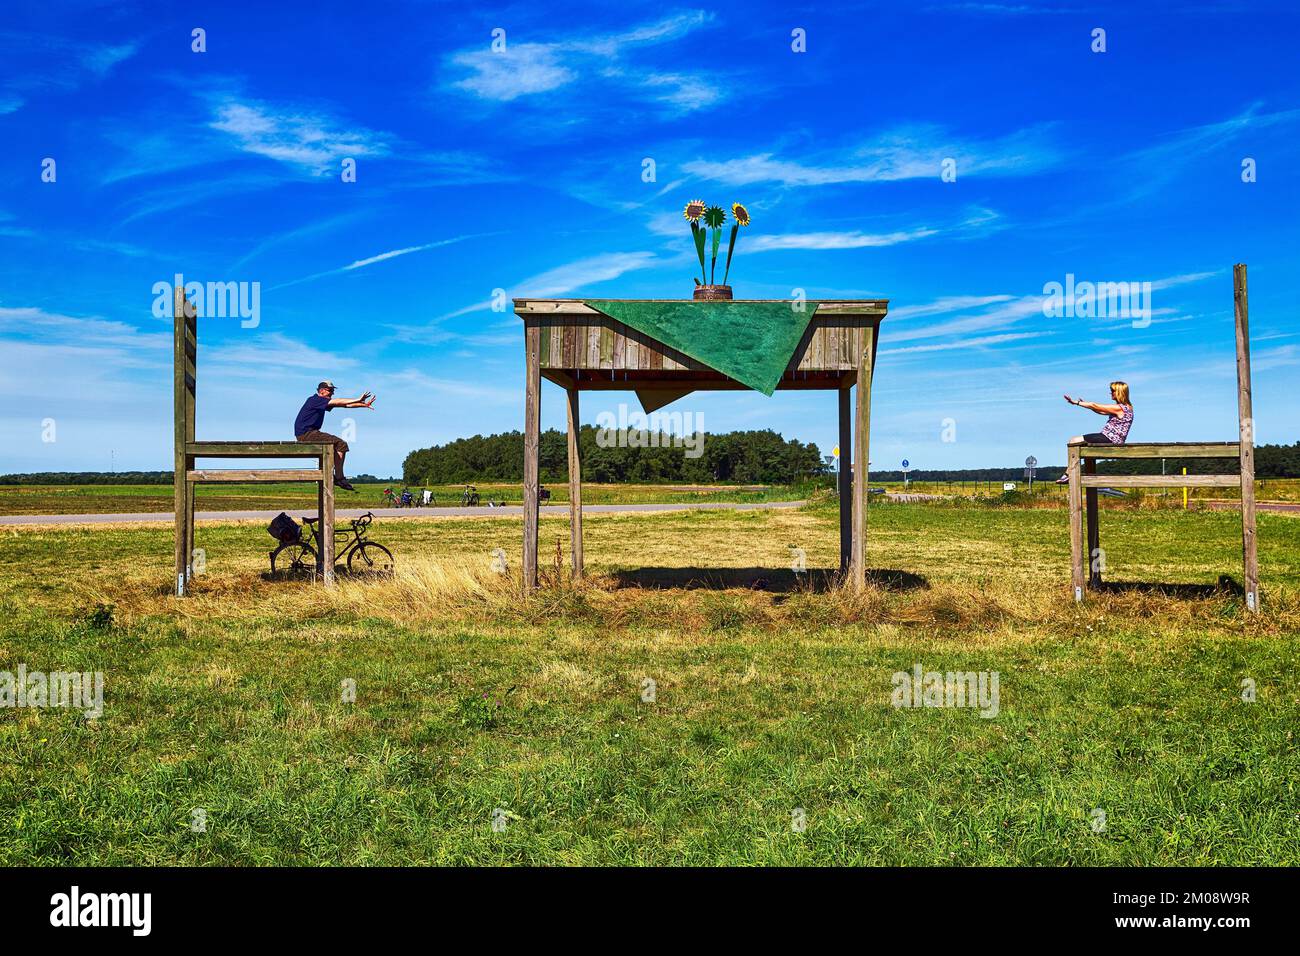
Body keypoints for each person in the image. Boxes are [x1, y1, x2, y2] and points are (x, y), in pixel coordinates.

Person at [293, 380, 374, 492]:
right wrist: (357, 398)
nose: (332, 393)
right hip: (306, 434)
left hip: (308, 433)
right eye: (330, 391)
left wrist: (362, 404)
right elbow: (338, 401)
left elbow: (344, 405)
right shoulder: (314, 400)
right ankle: (339, 477)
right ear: (321, 391)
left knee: (339, 445)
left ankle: (338, 476)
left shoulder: (319, 401)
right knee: (341, 444)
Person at [1056, 381, 1134, 482]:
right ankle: (1070, 473)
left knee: (1074, 441)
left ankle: (1069, 473)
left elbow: (1094, 405)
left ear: (1119, 392)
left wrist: (1077, 403)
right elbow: (1100, 411)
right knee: (1079, 444)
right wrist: (1087, 405)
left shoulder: (1119, 408)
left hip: (1108, 438)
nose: (1111, 393)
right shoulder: (1127, 408)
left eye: (1113, 391)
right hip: (1112, 439)